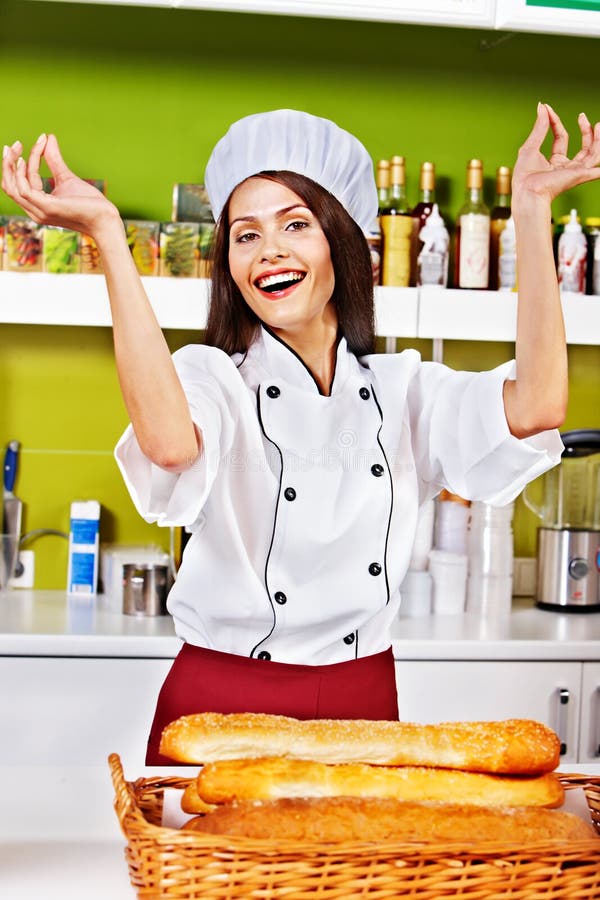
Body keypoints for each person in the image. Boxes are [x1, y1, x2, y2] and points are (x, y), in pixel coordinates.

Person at [3, 105, 599, 764]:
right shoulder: (212, 378)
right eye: (245, 235)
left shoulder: (405, 390)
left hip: (362, 701)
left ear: (342, 242)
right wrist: (108, 237)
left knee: (350, 875)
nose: (270, 252)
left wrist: (533, 206)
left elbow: (539, 405)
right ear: (228, 262)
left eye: (295, 225)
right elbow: (171, 446)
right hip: (221, 700)